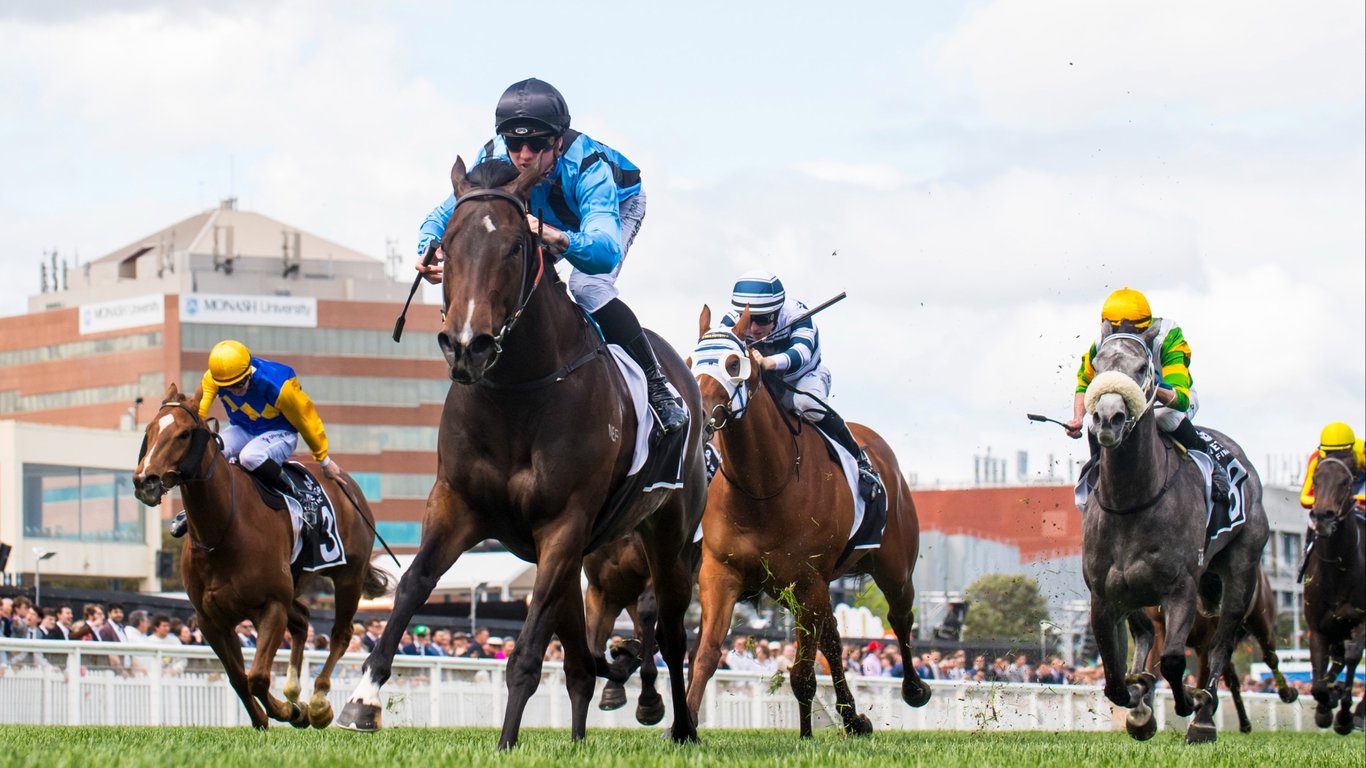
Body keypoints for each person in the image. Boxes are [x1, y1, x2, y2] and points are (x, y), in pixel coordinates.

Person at [415, 78, 686, 434]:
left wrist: (552, 235)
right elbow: (444, 215)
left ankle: (657, 387)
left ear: (558, 142)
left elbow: (604, 252)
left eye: (537, 144)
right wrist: (428, 246)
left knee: (587, 286)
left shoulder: (590, 170)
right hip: (537, 214)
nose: (524, 155)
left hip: (611, 211)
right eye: (515, 143)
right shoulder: (493, 158)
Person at [721, 270, 882, 499]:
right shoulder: (730, 321)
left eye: (764, 319)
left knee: (808, 405)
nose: (754, 328)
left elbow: (801, 353)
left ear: (777, 311)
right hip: (764, 386)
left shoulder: (797, 314)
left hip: (802, 379)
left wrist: (767, 362)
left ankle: (859, 460)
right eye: (749, 319)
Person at [1064, 287, 1229, 502]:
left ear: (1144, 329)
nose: (1120, 337)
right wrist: (1078, 417)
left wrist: (1149, 389)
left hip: (1168, 399)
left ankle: (1210, 462)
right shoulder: (1101, 345)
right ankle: (1097, 471)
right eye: (1115, 331)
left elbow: (1180, 399)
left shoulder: (1169, 338)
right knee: (1096, 424)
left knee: (1162, 417)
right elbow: (1084, 384)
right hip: (1124, 403)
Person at [169, 339, 343, 537]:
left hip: (281, 432)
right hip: (244, 428)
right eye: (230, 386)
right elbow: (199, 413)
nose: (236, 390)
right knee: (211, 449)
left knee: (250, 456)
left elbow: (307, 421)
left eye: (240, 383)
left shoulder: (280, 387)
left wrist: (323, 460)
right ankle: (193, 510)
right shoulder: (213, 379)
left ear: (248, 372)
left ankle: (299, 497)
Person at [1298, 422, 1366, 511]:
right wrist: (1323, 501)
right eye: (1330, 453)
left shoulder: (1363, 452)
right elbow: (1304, 498)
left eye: (1342, 454)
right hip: (1336, 485)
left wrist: (1354, 500)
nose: (1337, 458)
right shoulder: (1316, 458)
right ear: (1323, 450)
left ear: (1351, 449)